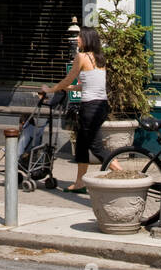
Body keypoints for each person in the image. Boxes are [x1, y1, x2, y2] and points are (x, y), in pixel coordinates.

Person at [40, 26, 120, 191]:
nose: (77, 39)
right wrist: (69, 89)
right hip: (101, 105)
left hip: (90, 107)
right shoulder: (99, 58)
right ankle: (80, 182)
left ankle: (123, 173)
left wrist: (50, 90)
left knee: (96, 146)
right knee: (82, 145)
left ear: (87, 39)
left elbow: (68, 79)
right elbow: (87, 85)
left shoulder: (81, 57)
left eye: (80, 37)